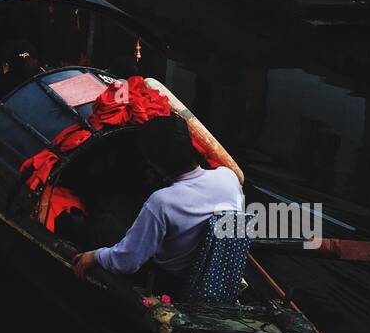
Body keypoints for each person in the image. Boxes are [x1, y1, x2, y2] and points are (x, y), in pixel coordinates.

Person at [71, 115, 243, 291]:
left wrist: (95, 256)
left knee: (103, 223)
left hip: (169, 280)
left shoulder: (162, 202)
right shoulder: (228, 177)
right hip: (212, 268)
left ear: (154, 163)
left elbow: (128, 262)